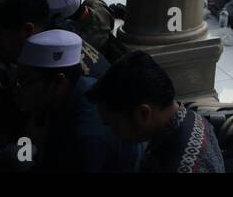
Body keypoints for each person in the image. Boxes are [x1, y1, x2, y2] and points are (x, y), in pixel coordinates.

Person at [11, 30, 141, 173]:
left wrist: (31, 150)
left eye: (24, 81)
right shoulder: (76, 88)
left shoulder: (86, 136)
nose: (17, 88)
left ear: (58, 82)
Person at [88, 51, 225, 173]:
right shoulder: (193, 118)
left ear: (143, 113)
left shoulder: (180, 166)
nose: (112, 132)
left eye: (113, 124)